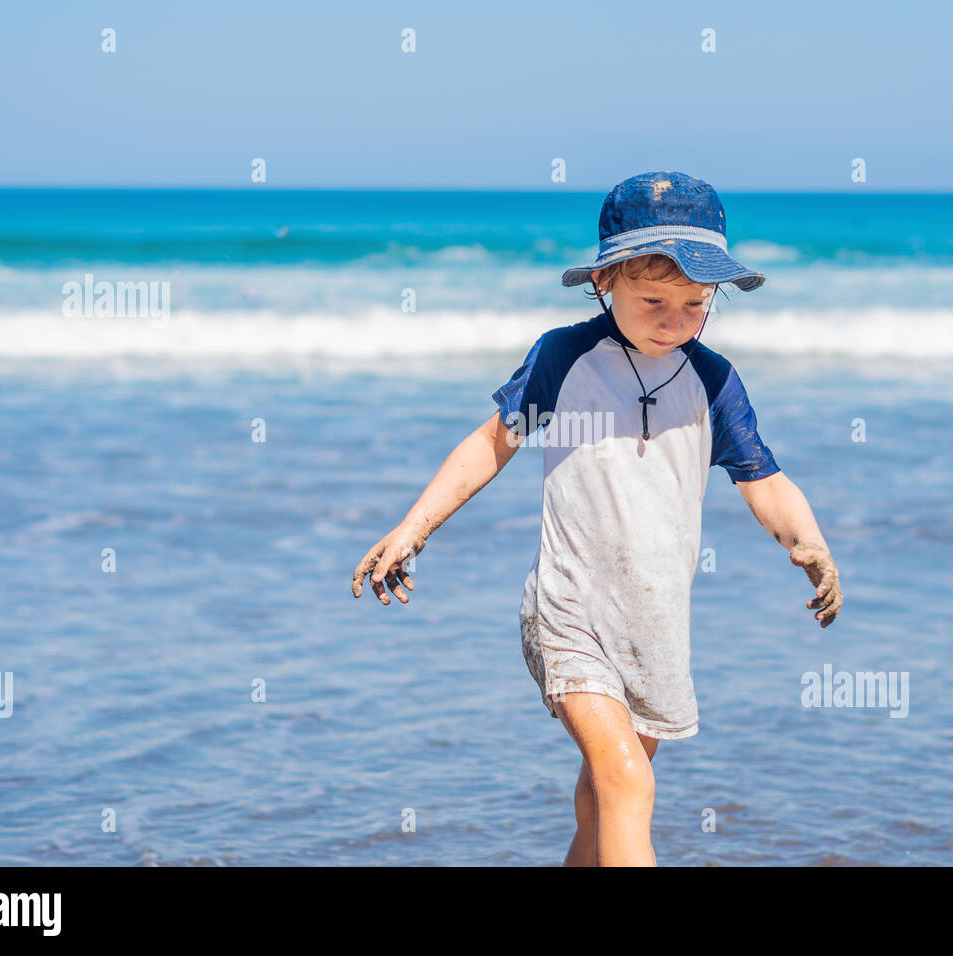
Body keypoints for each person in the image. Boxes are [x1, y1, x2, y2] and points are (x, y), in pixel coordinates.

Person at [352, 171, 843, 866]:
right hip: (567, 610)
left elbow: (765, 481)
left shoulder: (716, 381)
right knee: (627, 779)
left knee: (604, 793)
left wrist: (809, 541)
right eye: (653, 300)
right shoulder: (564, 357)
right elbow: (492, 444)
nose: (674, 320)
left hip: (656, 624)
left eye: (696, 304)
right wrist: (414, 526)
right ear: (605, 281)